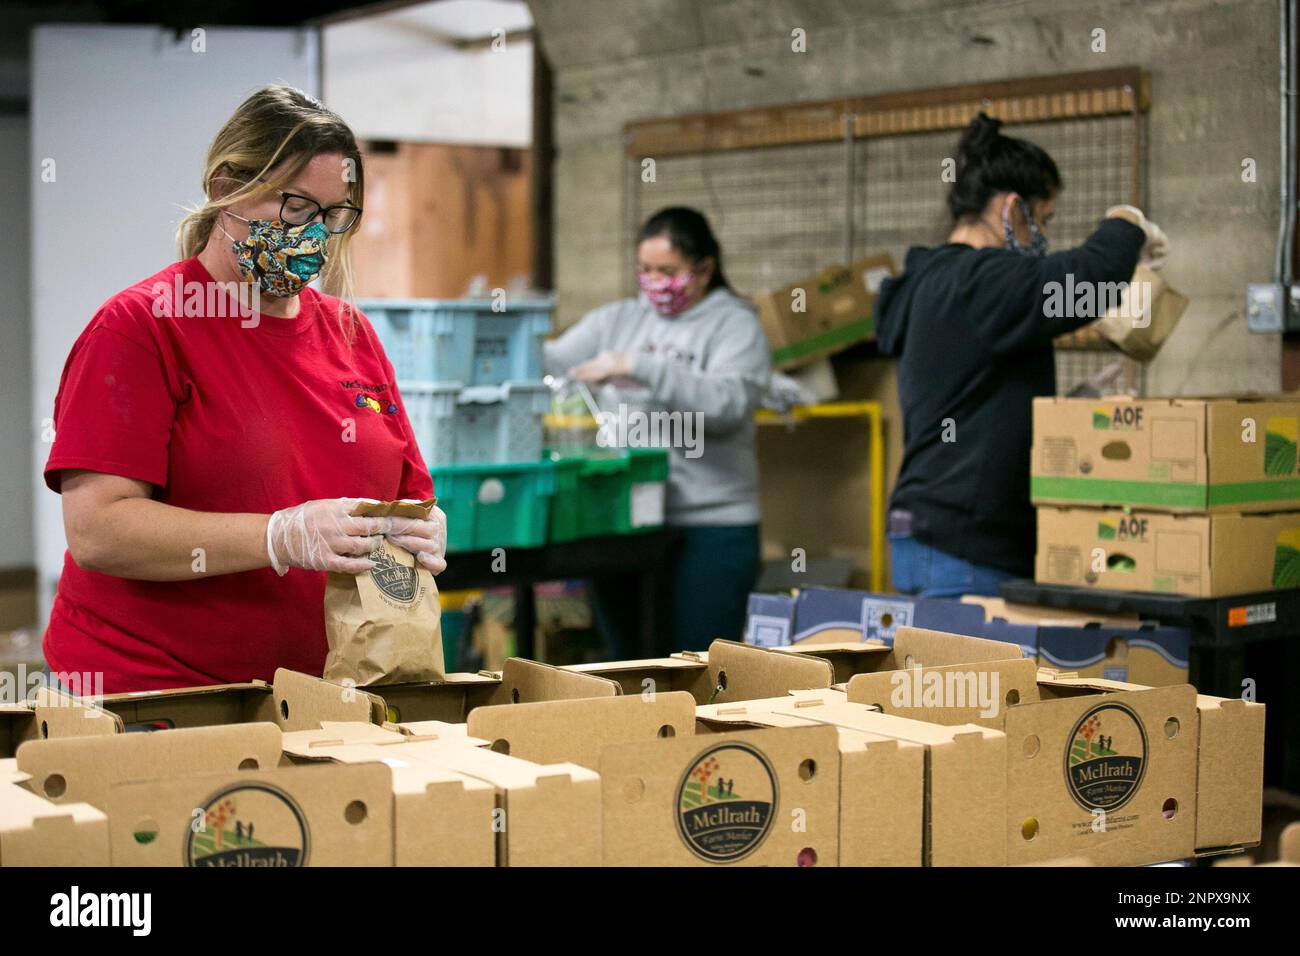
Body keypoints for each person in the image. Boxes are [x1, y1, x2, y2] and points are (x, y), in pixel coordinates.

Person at [43, 85, 447, 692]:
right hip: (160, 696)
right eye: (295, 208)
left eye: (334, 216)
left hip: (324, 691)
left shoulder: (350, 332)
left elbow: (405, 491)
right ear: (225, 189)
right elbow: (99, 531)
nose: (315, 233)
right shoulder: (142, 327)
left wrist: (424, 527)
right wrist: (279, 535)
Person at [874, 113, 1168, 597]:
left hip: (926, 531)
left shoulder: (931, 281)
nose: (1042, 237)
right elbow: (1088, 282)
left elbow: (972, 392)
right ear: (1013, 210)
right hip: (966, 546)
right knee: (981, 674)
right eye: (1043, 221)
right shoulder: (980, 280)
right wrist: (1127, 223)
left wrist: (1065, 407)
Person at [544, 207, 771, 653]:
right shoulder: (620, 320)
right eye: (645, 270)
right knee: (628, 666)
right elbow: (551, 361)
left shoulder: (735, 324)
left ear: (704, 269)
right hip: (626, 525)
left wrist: (640, 365)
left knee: (697, 667)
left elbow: (727, 404)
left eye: (668, 271)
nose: (654, 282)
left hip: (710, 526)